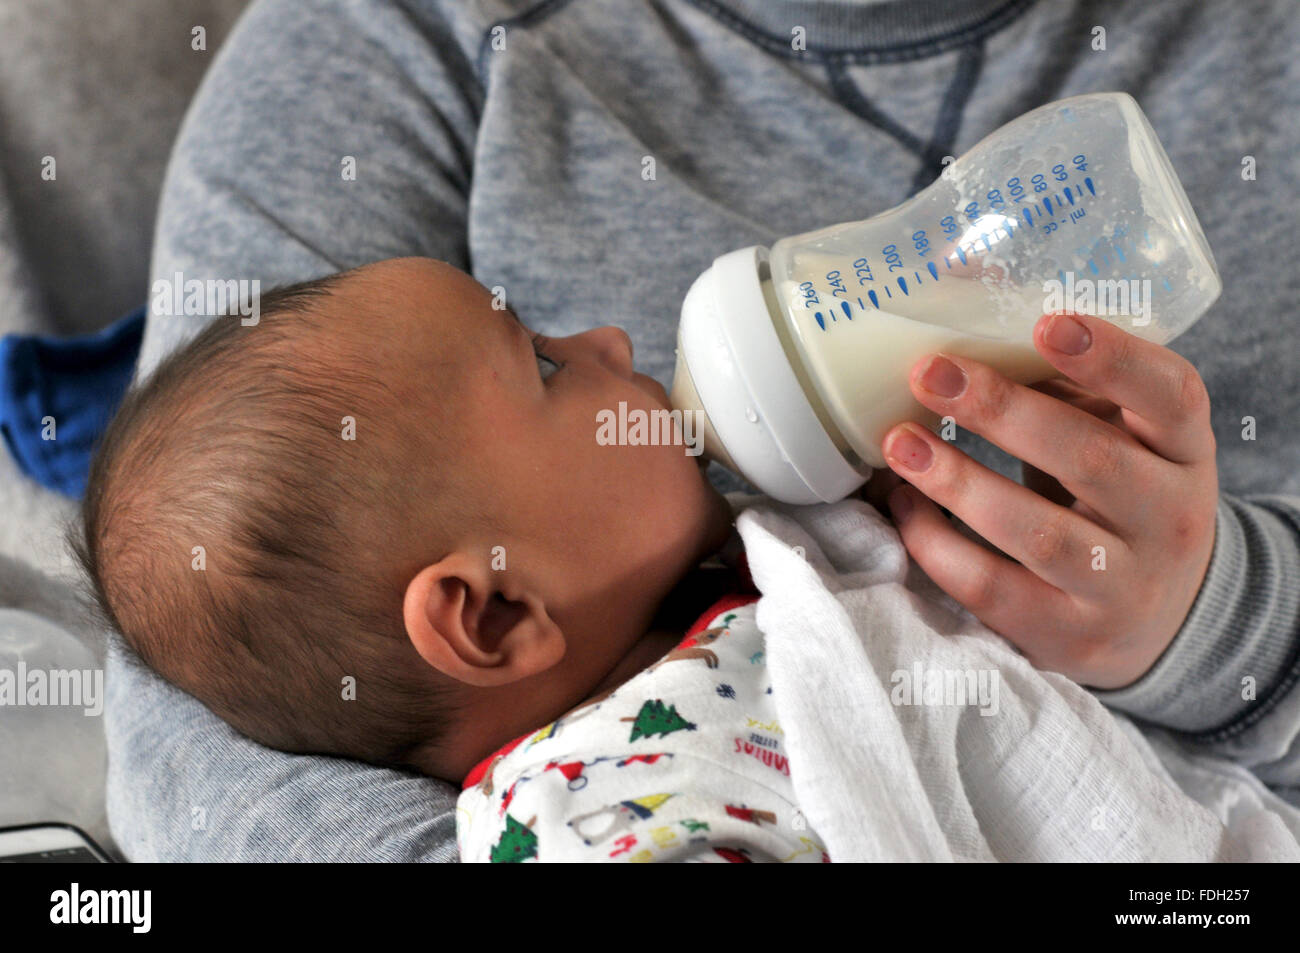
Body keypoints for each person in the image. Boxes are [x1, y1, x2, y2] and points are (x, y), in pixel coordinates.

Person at [109, 0, 1300, 861]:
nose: (612, 341)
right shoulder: (625, 804)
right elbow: (206, 709)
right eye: (539, 360)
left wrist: (1223, 627)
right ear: (493, 610)